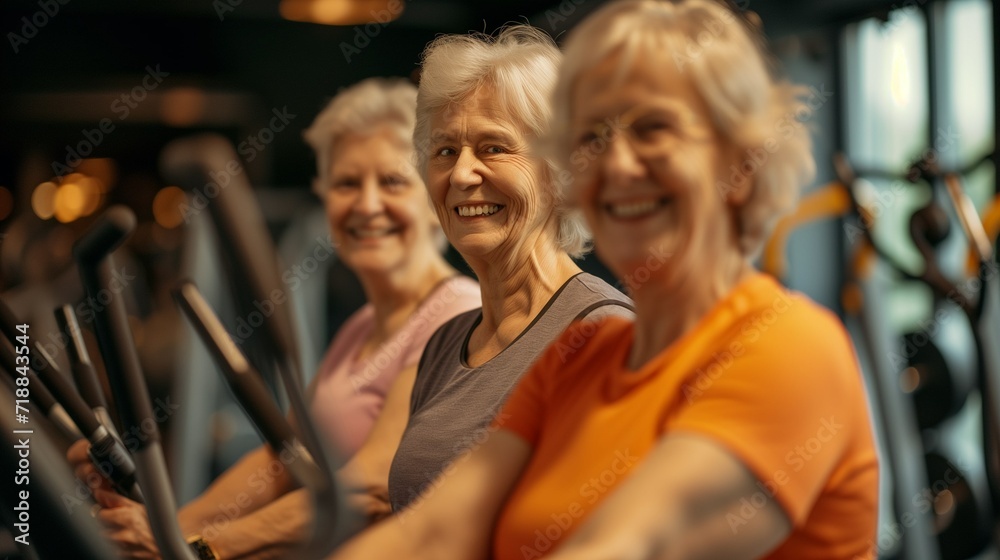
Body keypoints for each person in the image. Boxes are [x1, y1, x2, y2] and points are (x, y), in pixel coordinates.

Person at [329, 2, 879, 559]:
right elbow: (430, 533)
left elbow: (629, 544)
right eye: (592, 136)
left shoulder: (790, 346)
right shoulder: (577, 356)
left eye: (654, 129)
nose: (616, 165)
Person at [67, 77, 482, 559]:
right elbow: (281, 463)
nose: (367, 205)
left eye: (391, 181)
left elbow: (372, 488)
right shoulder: (360, 329)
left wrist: (199, 546)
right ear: (325, 197)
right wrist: (161, 531)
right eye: (347, 183)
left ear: (434, 198)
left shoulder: (457, 315)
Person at [383, 25, 634, 512]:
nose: (460, 174)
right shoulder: (445, 344)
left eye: (493, 148)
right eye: (445, 151)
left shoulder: (600, 333)